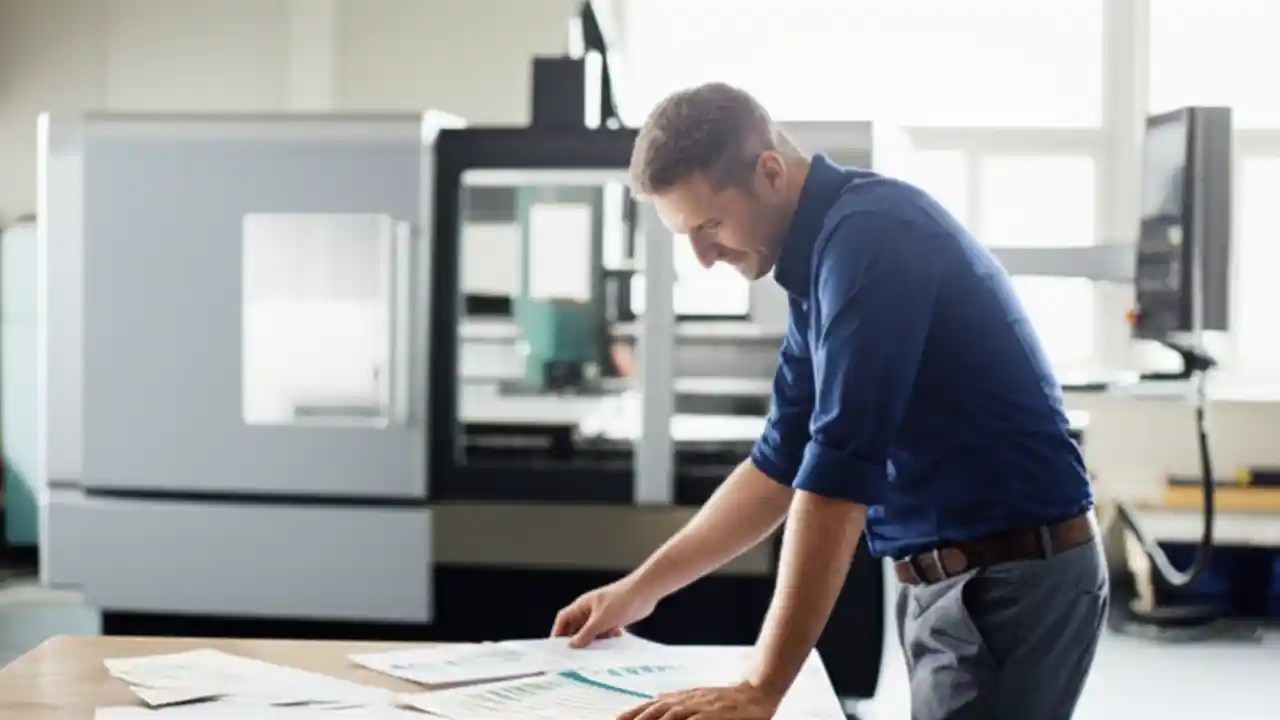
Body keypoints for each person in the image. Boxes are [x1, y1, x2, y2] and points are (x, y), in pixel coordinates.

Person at [551, 82, 1108, 720]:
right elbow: (779, 462)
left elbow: (839, 469)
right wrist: (638, 592)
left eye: (710, 225)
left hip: (1006, 580)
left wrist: (762, 687)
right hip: (955, 581)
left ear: (768, 171)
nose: (703, 258)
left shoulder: (872, 237)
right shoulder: (819, 261)